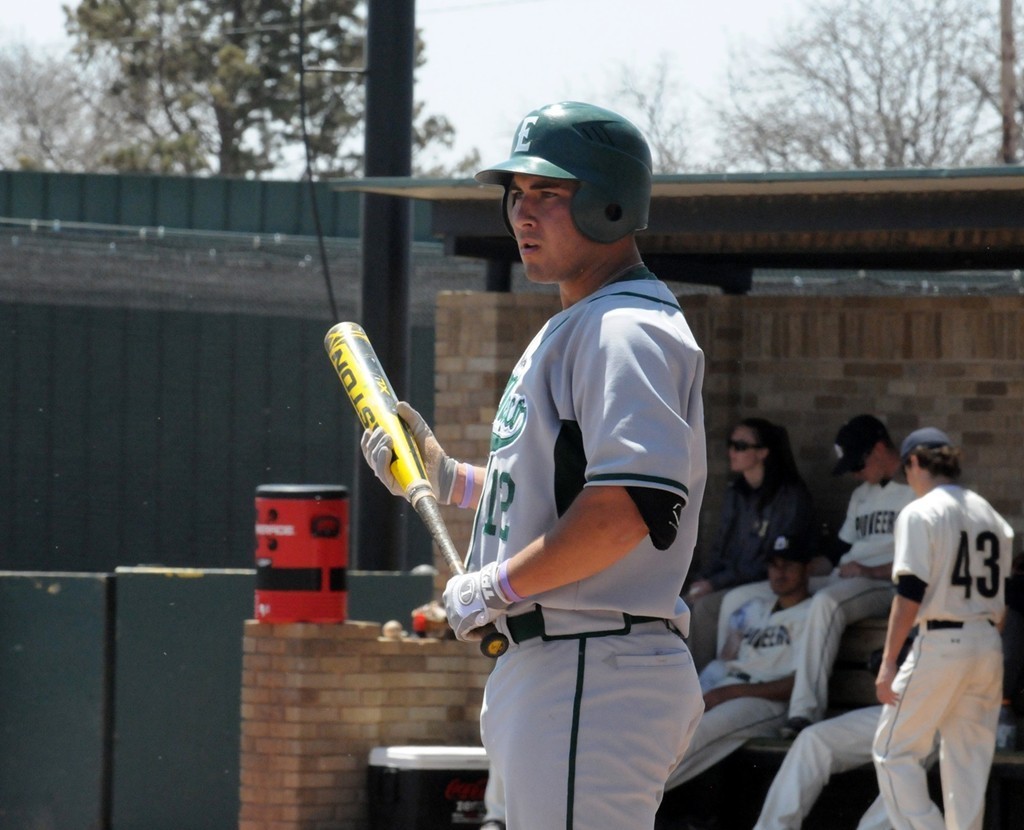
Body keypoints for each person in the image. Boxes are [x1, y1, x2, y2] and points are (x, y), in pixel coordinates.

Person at [361, 101, 707, 829]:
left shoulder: (625, 328)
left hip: (591, 659)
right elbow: (558, 493)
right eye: (516, 193)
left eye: (548, 193)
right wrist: (449, 478)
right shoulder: (581, 322)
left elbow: (626, 511)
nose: (522, 212)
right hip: (569, 662)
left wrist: (494, 585)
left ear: (610, 202)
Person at [873, 427, 1014, 830]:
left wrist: (888, 662)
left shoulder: (921, 512)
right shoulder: (992, 515)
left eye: (907, 468)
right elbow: (1003, 602)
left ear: (915, 462)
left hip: (941, 641)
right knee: (967, 767)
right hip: (987, 642)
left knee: (892, 752)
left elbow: (909, 593)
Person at [660, 535, 814, 829]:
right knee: (669, 725)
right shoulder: (754, 608)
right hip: (729, 688)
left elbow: (798, 684)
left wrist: (727, 693)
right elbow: (725, 661)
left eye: (789, 565)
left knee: (696, 736)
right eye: (774, 564)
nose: (780, 572)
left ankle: (629, 806)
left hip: (768, 701)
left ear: (807, 568)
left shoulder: (814, 614)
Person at [779, 414, 914, 738]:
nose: (855, 473)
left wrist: (870, 571)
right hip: (848, 576)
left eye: (857, 464)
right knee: (757, 593)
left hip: (884, 583)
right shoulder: (861, 495)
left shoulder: (915, 489)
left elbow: (921, 561)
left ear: (879, 449)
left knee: (825, 602)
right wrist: (804, 570)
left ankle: (803, 713)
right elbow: (838, 551)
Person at [685, 417, 816, 672]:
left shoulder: (789, 496)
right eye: (731, 444)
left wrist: (715, 584)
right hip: (730, 580)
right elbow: (720, 546)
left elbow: (773, 560)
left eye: (741, 446)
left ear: (763, 452)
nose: (732, 452)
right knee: (684, 603)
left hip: (765, 581)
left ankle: (701, 681)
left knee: (705, 608)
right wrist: (704, 580)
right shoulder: (736, 492)